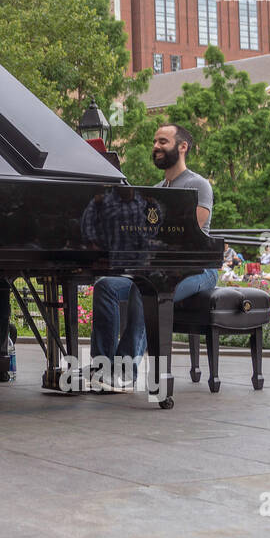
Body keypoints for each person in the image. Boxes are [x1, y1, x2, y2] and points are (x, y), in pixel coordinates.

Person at [89, 124, 218, 391]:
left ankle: (124, 373)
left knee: (147, 289)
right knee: (105, 286)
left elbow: (190, 232)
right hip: (157, 268)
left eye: (163, 141)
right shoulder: (157, 189)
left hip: (197, 269)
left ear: (182, 147)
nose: (156, 146)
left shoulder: (198, 185)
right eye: (155, 141)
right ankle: (101, 369)